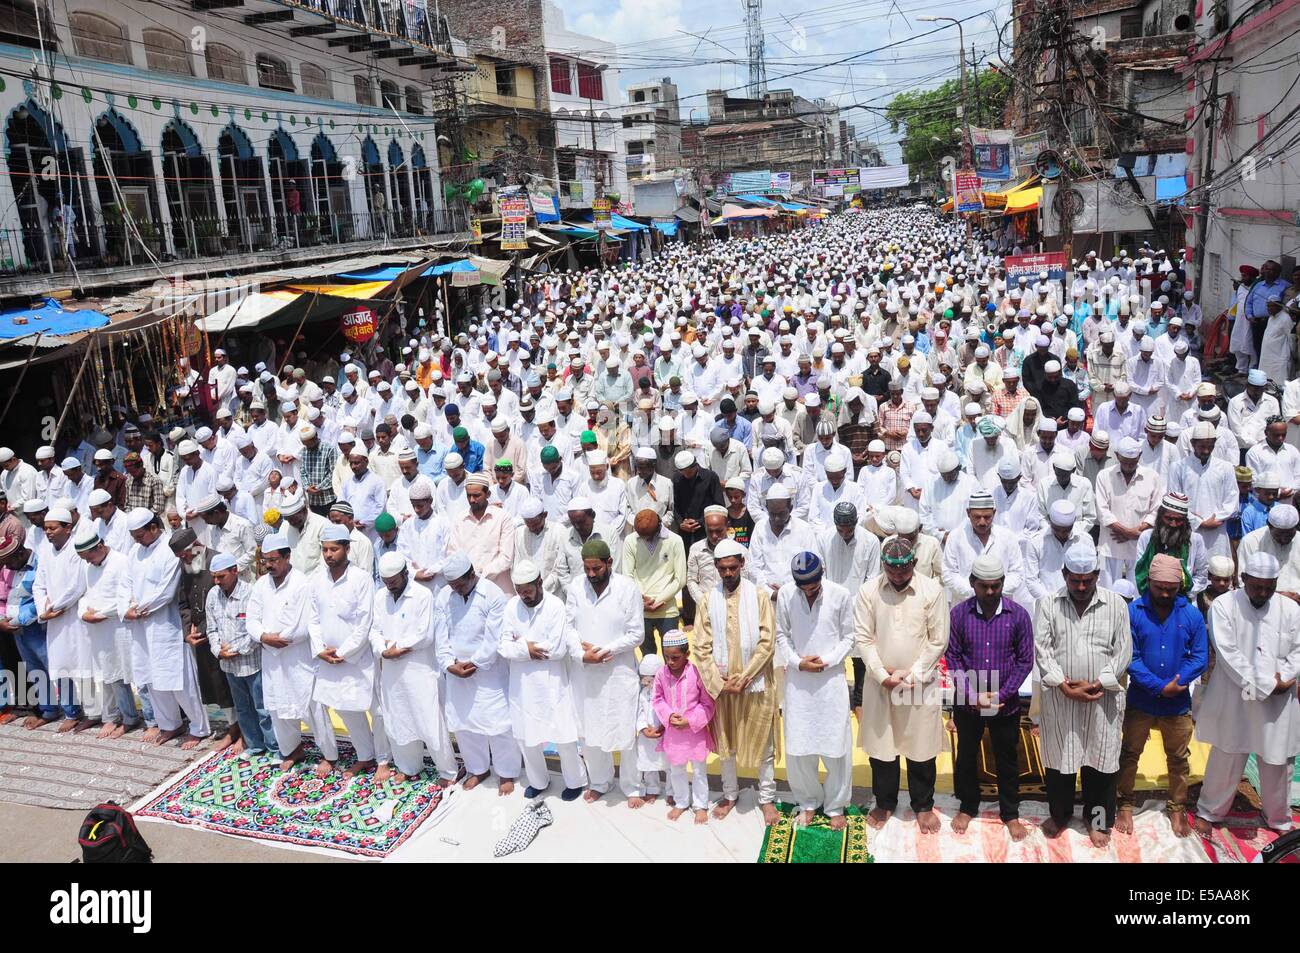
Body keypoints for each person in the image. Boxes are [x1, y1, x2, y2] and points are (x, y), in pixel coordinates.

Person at [1035, 538, 1132, 847]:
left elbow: (1123, 652)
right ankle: (1061, 816)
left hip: (1102, 699)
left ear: (1097, 575)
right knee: (1059, 763)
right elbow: (1042, 650)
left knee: (1101, 764)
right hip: (1061, 699)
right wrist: (1063, 684)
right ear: (1064, 574)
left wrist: (1097, 682)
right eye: (1074, 580)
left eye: (1086, 580)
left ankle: (1099, 821)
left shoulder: (1115, 604)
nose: (1080, 586)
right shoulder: (1048, 604)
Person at [1194, 552, 1300, 834]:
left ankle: (1278, 818)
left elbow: (1298, 650)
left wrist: (1287, 678)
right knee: (1227, 754)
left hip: (1278, 700)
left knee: (1277, 760)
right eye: (1256, 587)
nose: (1263, 593)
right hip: (1235, 695)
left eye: (1269, 587)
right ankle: (1209, 811)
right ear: (1243, 579)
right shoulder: (1224, 606)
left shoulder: (1290, 610)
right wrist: (1268, 685)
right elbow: (1228, 655)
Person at [855, 535, 949, 832]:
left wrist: (913, 675)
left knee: (921, 746)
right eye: (892, 571)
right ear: (883, 565)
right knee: (882, 747)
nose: (897, 576)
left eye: (903, 571)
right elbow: (863, 638)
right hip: (880, 683)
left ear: (914, 564)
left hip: (919, 685)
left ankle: (922, 805)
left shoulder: (931, 590)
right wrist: (883, 675)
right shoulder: (868, 591)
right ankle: (884, 803)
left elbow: (938, 640)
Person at [1115, 553, 1207, 838]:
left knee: (1179, 757)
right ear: (1148, 583)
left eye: (1171, 588)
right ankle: (1124, 803)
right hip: (1142, 698)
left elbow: (1200, 656)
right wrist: (1158, 686)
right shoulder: (1135, 612)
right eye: (1160, 588)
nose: (1165, 593)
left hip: (1178, 700)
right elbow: (1130, 656)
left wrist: (1178, 682)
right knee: (1130, 753)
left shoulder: (1190, 613)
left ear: (1180, 585)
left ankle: (1177, 807)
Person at [946, 554, 1034, 840]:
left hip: (1004, 704)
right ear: (972, 583)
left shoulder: (1018, 615)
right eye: (984, 586)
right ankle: (967, 806)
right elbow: (954, 657)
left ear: (1002, 584)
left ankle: (1010, 813)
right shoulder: (958, 614)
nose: (989, 592)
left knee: (1007, 758)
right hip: (968, 704)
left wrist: (1002, 694)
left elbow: (1024, 661)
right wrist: (971, 695)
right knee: (967, 756)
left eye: (995, 586)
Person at [691, 538, 779, 823]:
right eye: (722, 569)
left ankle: (767, 799)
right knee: (726, 744)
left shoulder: (759, 597)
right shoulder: (708, 600)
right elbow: (700, 646)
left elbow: (768, 641)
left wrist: (746, 676)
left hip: (755, 684)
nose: (728, 574)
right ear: (716, 567)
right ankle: (730, 794)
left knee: (764, 745)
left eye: (732, 567)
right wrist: (717, 682)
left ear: (742, 564)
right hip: (723, 686)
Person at [246, 531, 339, 772]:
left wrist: (280, 639)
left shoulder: (302, 584)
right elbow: (251, 619)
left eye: (274, 560)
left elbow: (303, 625)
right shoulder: (260, 585)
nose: (269, 565)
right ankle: (292, 750)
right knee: (278, 707)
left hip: (297, 657)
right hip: (271, 655)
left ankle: (329, 755)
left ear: (287, 557)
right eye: (265, 560)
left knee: (311, 707)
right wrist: (264, 637)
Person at [776, 551, 856, 829]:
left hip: (831, 679)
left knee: (836, 745)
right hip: (798, 681)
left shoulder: (840, 595)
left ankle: (835, 805)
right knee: (799, 746)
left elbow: (849, 636)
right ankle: (808, 801)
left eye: (813, 585)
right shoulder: (787, 594)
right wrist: (798, 662)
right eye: (803, 586)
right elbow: (781, 635)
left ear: (822, 575)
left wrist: (828, 660)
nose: (809, 591)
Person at [119, 508, 211, 748]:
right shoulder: (133, 552)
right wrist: (125, 609)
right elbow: (125, 583)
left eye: (140, 534)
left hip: (166, 623)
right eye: (134, 536)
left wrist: (140, 609)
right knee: (151, 678)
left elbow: (167, 590)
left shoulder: (168, 550)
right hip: (140, 626)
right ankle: (170, 725)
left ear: (153, 527)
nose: (137, 540)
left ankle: (198, 728)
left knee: (178, 679)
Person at [498, 559, 586, 799]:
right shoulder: (511, 607)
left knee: (564, 735)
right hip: (522, 684)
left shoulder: (556, 606)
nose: (524, 595)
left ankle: (575, 781)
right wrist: (527, 650)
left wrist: (522, 645)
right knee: (526, 737)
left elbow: (557, 649)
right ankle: (538, 781)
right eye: (519, 591)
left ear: (539, 583)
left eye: (528, 590)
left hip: (552, 682)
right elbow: (504, 646)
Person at [565, 538, 643, 804]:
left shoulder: (627, 588)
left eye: (596, 569)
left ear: (610, 563)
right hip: (586, 672)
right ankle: (600, 781)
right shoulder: (576, 587)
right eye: (587, 569)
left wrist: (605, 651)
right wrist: (581, 654)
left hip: (619, 671)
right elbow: (569, 628)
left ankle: (632, 786)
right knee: (591, 729)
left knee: (625, 729)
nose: (591, 575)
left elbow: (637, 634)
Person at [371, 551, 459, 784]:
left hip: (419, 671)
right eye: (386, 582)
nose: (390, 586)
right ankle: (409, 767)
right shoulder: (380, 597)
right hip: (391, 670)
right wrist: (383, 649)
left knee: (429, 720)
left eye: (394, 581)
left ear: (405, 574)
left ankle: (447, 772)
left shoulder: (423, 595)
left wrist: (398, 647)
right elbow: (375, 630)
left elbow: (424, 634)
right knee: (399, 719)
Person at [435, 552, 518, 793]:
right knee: (464, 724)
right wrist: (449, 663)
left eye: (460, 585)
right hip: (456, 671)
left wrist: (474, 664)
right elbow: (440, 636)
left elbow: (494, 639)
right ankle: (478, 768)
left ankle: (506, 773)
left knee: (498, 724)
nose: (456, 590)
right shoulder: (444, 596)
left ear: (472, 574)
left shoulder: (492, 594)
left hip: (488, 672)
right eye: (452, 586)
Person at [308, 524, 386, 779]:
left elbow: (365, 621)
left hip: (357, 658)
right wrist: (321, 650)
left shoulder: (361, 579)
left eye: (334, 549)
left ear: (347, 549)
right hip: (328, 660)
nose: (328, 554)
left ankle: (384, 760)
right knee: (345, 708)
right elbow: (313, 619)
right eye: (325, 550)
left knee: (375, 709)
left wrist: (343, 652)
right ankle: (365, 756)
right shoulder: (316, 580)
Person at [204, 551, 276, 758]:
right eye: (214, 577)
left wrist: (236, 650)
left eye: (221, 576)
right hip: (229, 665)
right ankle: (254, 745)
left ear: (235, 571)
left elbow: (256, 630)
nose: (217, 581)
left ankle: (274, 747)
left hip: (252, 662)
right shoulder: (212, 595)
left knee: (263, 708)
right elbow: (212, 630)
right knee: (243, 708)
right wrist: (218, 651)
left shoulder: (251, 593)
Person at [652, 630, 715, 823]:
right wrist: (669, 716)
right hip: (674, 734)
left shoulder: (696, 673)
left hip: (695, 732)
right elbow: (657, 699)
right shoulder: (661, 674)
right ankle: (681, 802)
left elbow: (708, 703)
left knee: (698, 770)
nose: (670, 662)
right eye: (667, 657)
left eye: (675, 658)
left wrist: (690, 720)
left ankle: (700, 805)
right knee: (676, 770)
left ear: (687, 655)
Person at [630, 654, 668, 804]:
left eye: (650, 679)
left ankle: (672, 792)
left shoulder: (667, 693)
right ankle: (652, 789)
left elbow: (669, 711)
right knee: (648, 764)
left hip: (664, 735)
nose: (646, 682)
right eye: (643, 679)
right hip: (647, 736)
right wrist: (644, 729)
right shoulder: (643, 694)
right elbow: (639, 712)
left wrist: (663, 727)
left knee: (670, 765)